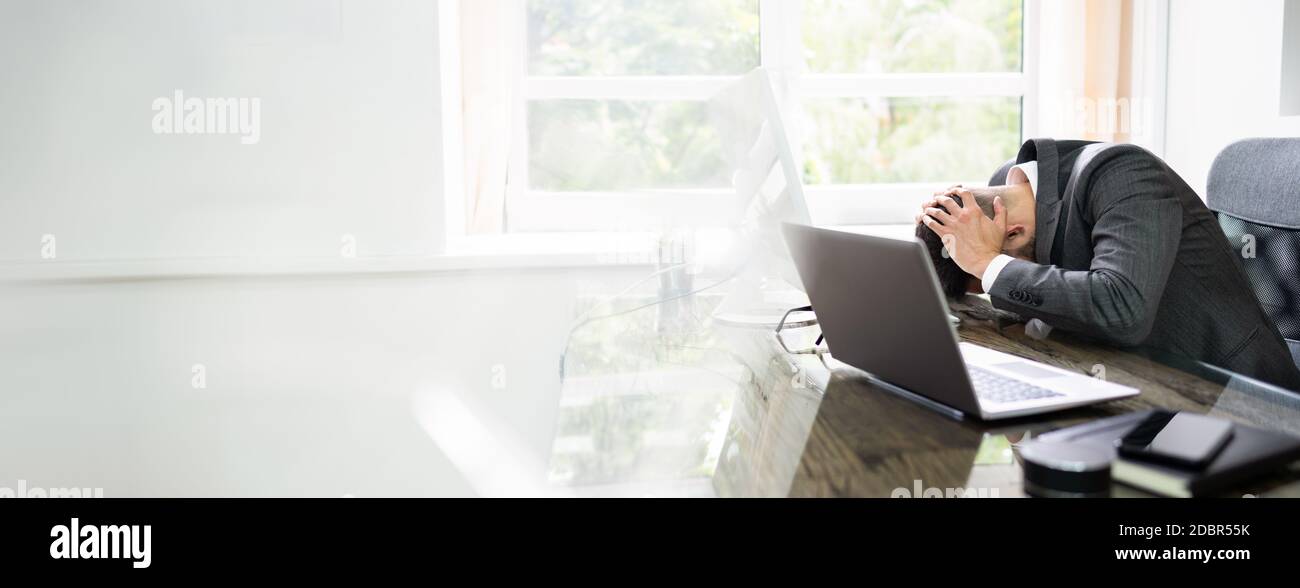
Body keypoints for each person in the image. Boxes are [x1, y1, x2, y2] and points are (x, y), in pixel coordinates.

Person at [916, 138, 1300, 390]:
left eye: (989, 276)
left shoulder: (1120, 173)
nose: (995, 293)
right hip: (1137, 384)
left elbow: (1123, 308)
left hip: (1235, 399)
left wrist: (988, 263)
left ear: (1011, 232)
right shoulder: (1008, 190)